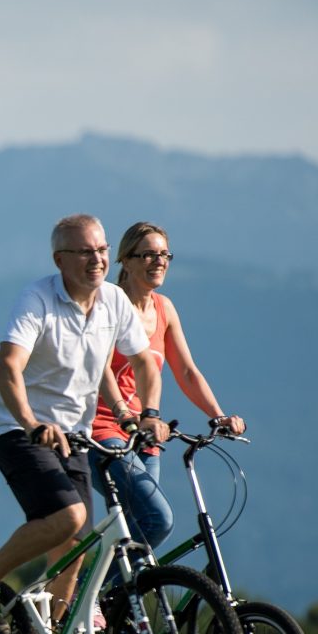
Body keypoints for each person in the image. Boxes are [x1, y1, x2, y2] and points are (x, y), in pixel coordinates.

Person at [0, 214, 170, 634]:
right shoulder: (37, 299)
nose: (97, 259)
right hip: (20, 432)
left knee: (75, 550)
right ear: (60, 259)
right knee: (69, 517)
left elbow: (145, 361)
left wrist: (148, 413)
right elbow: (7, 368)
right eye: (85, 252)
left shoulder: (112, 300)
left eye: (102, 250)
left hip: (75, 437)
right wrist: (32, 423)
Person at [90, 222, 245, 549]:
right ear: (126, 261)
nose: (159, 261)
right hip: (103, 429)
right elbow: (98, 368)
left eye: (164, 255)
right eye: (148, 254)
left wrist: (218, 416)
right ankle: (101, 595)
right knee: (156, 519)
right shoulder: (111, 304)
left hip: (144, 433)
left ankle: (108, 598)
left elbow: (187, 372)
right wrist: (124, 415)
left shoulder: (165, 308)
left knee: (138, 534)